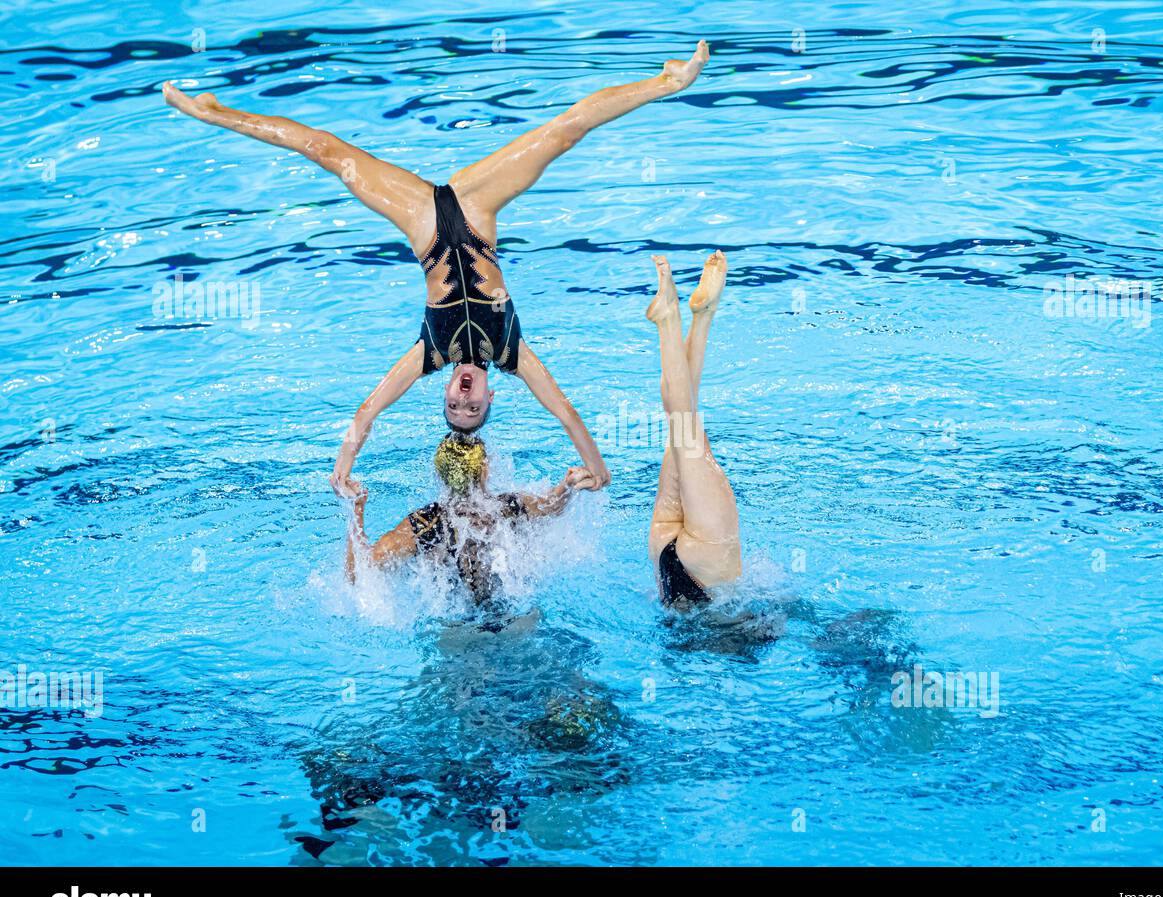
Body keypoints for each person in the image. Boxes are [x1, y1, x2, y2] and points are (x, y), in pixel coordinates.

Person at [160, 40, 712, 498]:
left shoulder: (430, 352)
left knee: (328, 151)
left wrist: (343, 468)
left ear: (446, 391)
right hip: (476, 211)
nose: (464, 398)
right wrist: (599, 469)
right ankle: (667, 82)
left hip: (424, 222)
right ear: (490, 398)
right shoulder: (510, 352)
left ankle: (212, 110)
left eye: (455, 405)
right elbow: (565, 412)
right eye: (473, 407)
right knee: (562, 133)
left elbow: (368, 410)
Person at [345, 432, 595, 604]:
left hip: (457, 632)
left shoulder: (425, 523)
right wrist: (567, 485)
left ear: (440, 473)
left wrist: (356, 509)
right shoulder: (507, 507)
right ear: (485, 469)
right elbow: (551, 507)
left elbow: (359, 573)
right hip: (515, 618)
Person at [643, 251, 742, 606]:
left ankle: (670, 322)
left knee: (685, 429)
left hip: (709, 562)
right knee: (682, 427)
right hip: (665, 563)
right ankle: (701, 317)